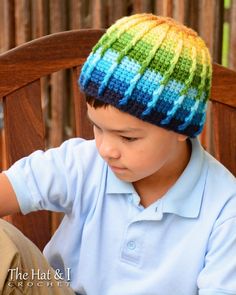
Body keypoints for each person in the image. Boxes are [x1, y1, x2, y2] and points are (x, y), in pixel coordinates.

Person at [0, 13, 235, 295]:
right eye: (97, 127)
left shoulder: (225, 209)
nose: (106, 149)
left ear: (180, 130)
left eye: (128, 137)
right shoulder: (83, 162)